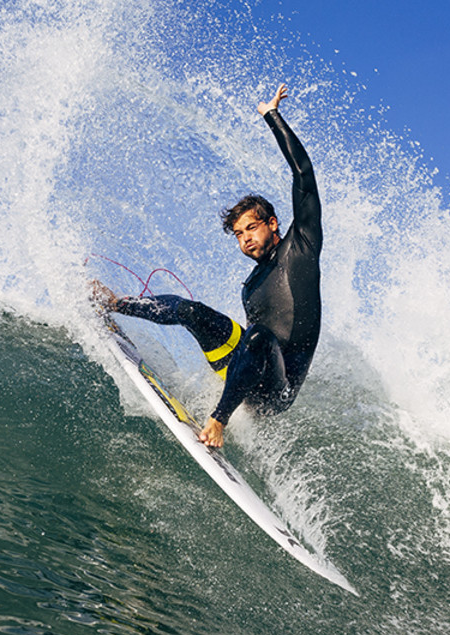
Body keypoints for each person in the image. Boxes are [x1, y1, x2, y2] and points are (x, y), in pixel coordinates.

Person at [95, 83, 321, 448]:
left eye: (251, 228)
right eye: (238, 234)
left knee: (261, 336)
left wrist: (271, 116)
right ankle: (116, 303)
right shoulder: (251, 283)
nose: (245, 238)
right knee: (191, 311)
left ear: (273, 223)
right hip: (246, 369)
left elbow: (304, 176)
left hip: (276, 391)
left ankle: (219, 421)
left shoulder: (303, 249)